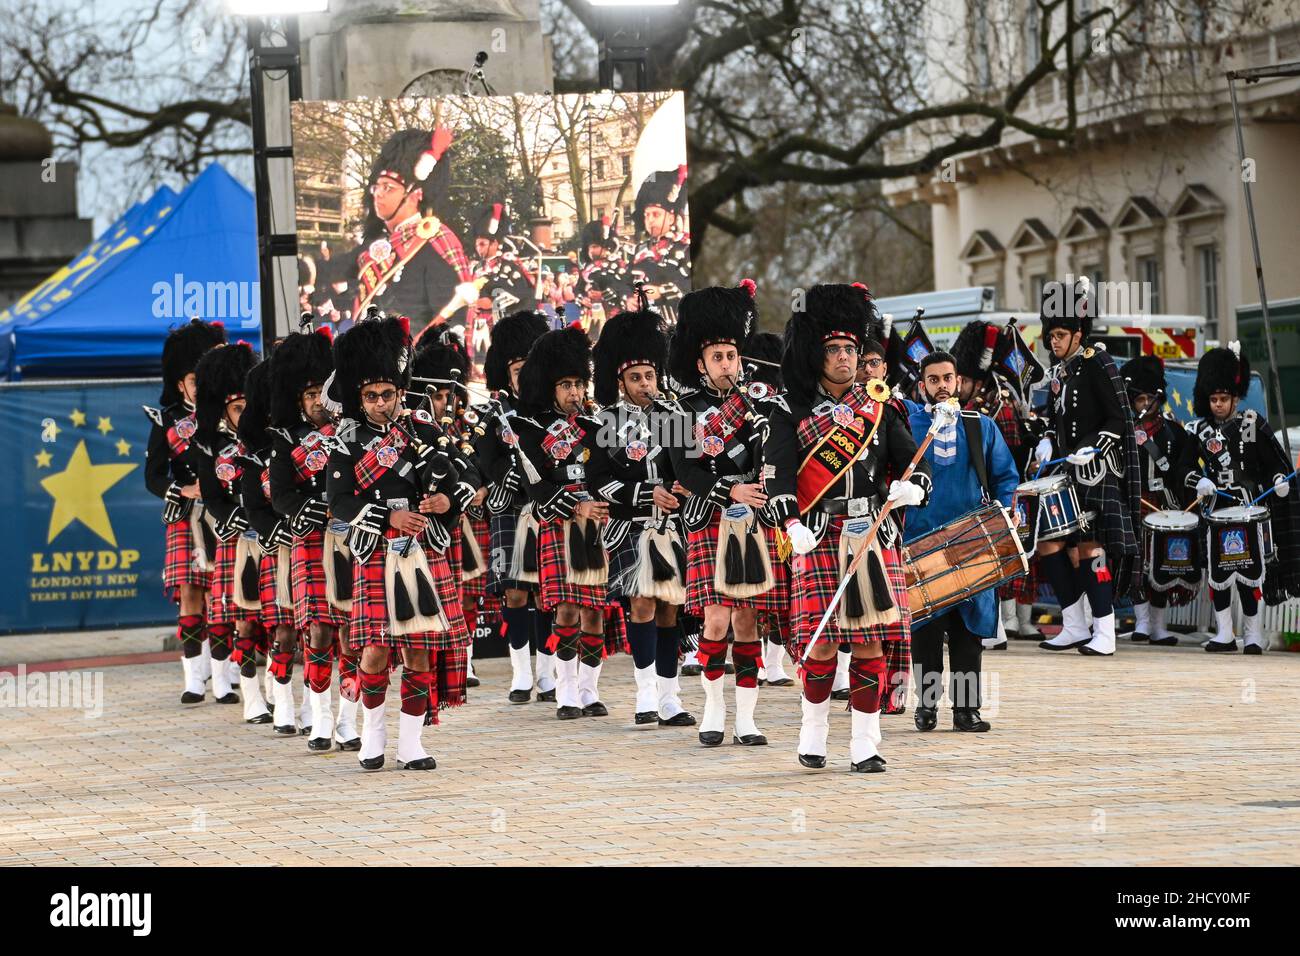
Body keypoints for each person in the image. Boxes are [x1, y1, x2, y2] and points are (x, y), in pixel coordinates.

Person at [764, 283, 932, 772]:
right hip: (817, 530)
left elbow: (911, 462)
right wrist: (789, 521)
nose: (842, 357)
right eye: (833, 348)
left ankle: (866, 742)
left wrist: (911, 487)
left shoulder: (878, 406)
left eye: (850, 349)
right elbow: (776, 473)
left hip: (870, 531)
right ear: (816, 352)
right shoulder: (787, 409)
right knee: (820, 641)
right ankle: (812, 730)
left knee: (868, 638)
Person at [324, 315, 472, 771]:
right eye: (371, 396)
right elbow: (339, 502)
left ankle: (411, 744)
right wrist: (390, 515)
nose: (380, 403)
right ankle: (373, 734)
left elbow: (462, 484)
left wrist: (445, 492)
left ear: (400, 391)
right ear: (359, 397)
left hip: (423, 549)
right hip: (378, 549)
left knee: (420, 647)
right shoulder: (345, 444)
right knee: (374, 650)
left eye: (388, 394)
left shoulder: (425, 433)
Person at [667, 280, 789, 748]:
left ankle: (747, 719)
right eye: (717, 357)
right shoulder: (681, 410)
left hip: (752, 523)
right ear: (700, 363)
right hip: (710, 519)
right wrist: (731, 488)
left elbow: (777, 459)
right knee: (716, 619)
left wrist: (765, 467)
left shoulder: (761, 405)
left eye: (731, 356)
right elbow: (684, 469)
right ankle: (714, 710)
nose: (726, 365)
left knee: (748, 621)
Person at [588, 296, 695, 728]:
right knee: (643, 604)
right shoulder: (605, 421)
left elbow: (691, 470)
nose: (645, 384)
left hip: (670, 526)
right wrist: (646, 494)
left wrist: (680, 491)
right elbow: (600, 482)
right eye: (636, 377)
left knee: (670, 607)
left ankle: (670, 699)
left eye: (650, 375)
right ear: (621, 380)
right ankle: (645, 695)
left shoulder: (676, 415)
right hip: (631, 526)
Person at [512, 325, 628, 719]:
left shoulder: (596, 428)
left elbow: (608, 476)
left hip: (594, 526)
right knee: (565, 611)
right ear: (550, 387)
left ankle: (589, 691)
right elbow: (535, 486)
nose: (574, 393)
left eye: (579, 384)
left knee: (594, 611)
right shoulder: (529, 430)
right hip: (559, 523)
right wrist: (575, 507)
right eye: (565, 385)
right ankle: (564, 693)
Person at [902, 351, 1019, 732]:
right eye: (932, 379)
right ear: (922, 384)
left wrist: (1004, 513)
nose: (941, 386)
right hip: (920, 543)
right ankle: (927, 708)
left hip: (973, 542)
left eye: (947, 378)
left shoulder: (979, 425)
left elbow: (1005, 475)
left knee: (969, 633)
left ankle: (967, 711)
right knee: (926, 633)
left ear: (958, 381)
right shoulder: (906, 425)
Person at [1031, 280, 1141, 657]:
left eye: (1060, 335)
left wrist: (1094, 448)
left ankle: (1105, 630)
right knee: (1050, 545)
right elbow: (1055, 418)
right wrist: (1046, 438)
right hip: (1066, 474)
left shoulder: (1098, 361)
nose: (1054, 342)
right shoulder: (1061, 371)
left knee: (1091, 548)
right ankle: (1075, 624)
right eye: (1050, 336)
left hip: (1096, 471)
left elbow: (1118, 419)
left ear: (1079, 333)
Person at [269, 324, 361, 749]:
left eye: (321, 394)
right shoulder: (286, 444)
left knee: (352, 634)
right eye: (309, 396)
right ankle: (320, 718)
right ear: (300, 402)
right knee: (319, 634)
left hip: (352, 539)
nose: (317, 403)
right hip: (309, 539)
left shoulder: (355, 435)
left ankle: (349, 719)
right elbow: (282, 493)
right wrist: (308, 510)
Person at [1179, 344, 1300, 652]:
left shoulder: (1252, 422)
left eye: (1223, 399)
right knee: (1219, 573)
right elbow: (1182, 468)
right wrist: (1198, 479)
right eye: (1213, 399)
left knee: (1249, 572)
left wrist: (1278, 480)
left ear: (1235, 396)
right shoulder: (1199, 431)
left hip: (1250, 507)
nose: (1218, 405)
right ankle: (1224, 633)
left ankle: (1254, 634)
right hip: (1216, 509)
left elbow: (1276, 463)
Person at [143, 319, 226, 705]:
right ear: (180, 383)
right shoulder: (166, 421)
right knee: (192, 595)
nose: (201, 385)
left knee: (223, 596)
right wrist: (181, 489)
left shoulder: (225, 416)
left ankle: (225, 676)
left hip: (222, 514)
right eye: (194, 379)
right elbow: (153, 476)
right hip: (184, 515)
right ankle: (194, 678)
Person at [476, 311, 555, 703]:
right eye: (518, 369)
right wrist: (502, 477)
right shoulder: (495, 416)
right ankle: (520, 672)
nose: (524, 377)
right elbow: (485, 459)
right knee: (516, 593)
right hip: (511, 508)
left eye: (530, 368)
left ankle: (547, 671)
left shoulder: (550, 415)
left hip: (546, 508)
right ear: (506, 374)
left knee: (545, 591)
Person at [949, 319, 1040, 648]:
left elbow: (1006, 455)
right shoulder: (987, 399)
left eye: (965, 379)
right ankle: (998, 628)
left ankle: (998, 629)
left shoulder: (993, 404)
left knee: (993, 560)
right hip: (991, 490)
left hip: (997, 491)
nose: (959, 385)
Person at [350, 128, 478, 338]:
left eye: (388, 188)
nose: (378, 195)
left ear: (415, 194)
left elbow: (450, 325)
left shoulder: (436, 241)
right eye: (377, 187)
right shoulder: (379, 247)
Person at [192, 341, 261, 711]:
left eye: (248, 405)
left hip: (268, 537)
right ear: (224, 411)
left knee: (276, 620)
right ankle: (230, 686)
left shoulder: (267, 440)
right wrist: (230, 518)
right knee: (234, 619)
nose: (245, 413)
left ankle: (275, 695)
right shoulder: (210, 446)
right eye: (238, 408)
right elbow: (212, 496)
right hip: (234, 537)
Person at [1120, 355, 1196, 646]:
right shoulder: (1124, 432)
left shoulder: (1174, 432)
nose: (1144, 405)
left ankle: (1159, 626)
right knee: (1138, 566)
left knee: (1163, 565)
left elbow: (1182, 468)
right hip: (1137, 503)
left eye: (1149, 399)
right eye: (1139, 399)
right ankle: (1141, 623)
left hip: (1164, 506)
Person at [234, 358, 287, 728]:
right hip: (256, 542)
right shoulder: (246, 450)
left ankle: (282, 699)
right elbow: (248, 503)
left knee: (286, 627)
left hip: (300, 542)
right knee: (248, 624)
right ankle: (252, 697)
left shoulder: (299, 440)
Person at [741, 331, 794, 687]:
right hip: (747, 507)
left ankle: (774, 664)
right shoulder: (740, 407)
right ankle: (760, 663)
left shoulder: (784, 407)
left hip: (777, 509)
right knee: (755, 594)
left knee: (781, 593)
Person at [629, 167, 691, 323]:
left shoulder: (684, 246)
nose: (650, 220)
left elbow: (692, 286)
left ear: (670, 218)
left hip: (678, 324)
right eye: (646, 215)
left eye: (655, 214)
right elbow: (625, 282)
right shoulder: (639, 250)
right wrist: (628, 299)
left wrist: (661, 291)